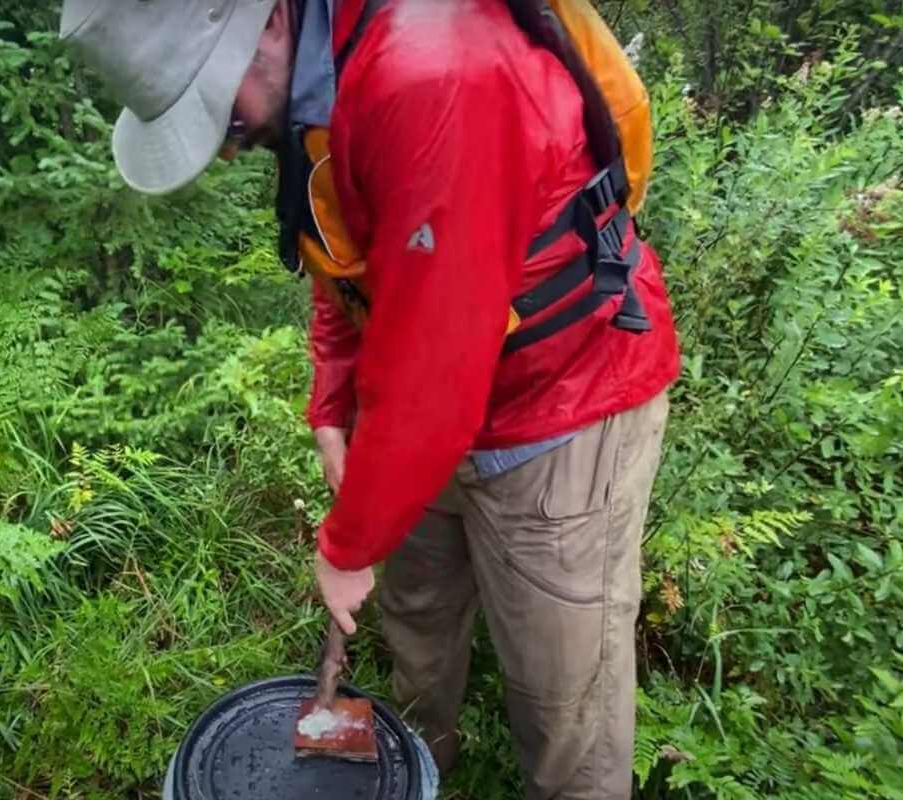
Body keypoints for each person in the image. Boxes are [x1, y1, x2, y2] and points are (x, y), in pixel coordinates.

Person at [60, 1, 681, 797]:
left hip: (560, 402)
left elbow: (437, 361)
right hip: (428, 416)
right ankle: (416, 774)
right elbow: (342, 256)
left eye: (224, 119)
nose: (223, 150)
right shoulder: (321, 71)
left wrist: (347, 546)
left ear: (268, 29)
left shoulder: (432, 71)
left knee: (566, 708)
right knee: (418, 622)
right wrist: (331, 405)